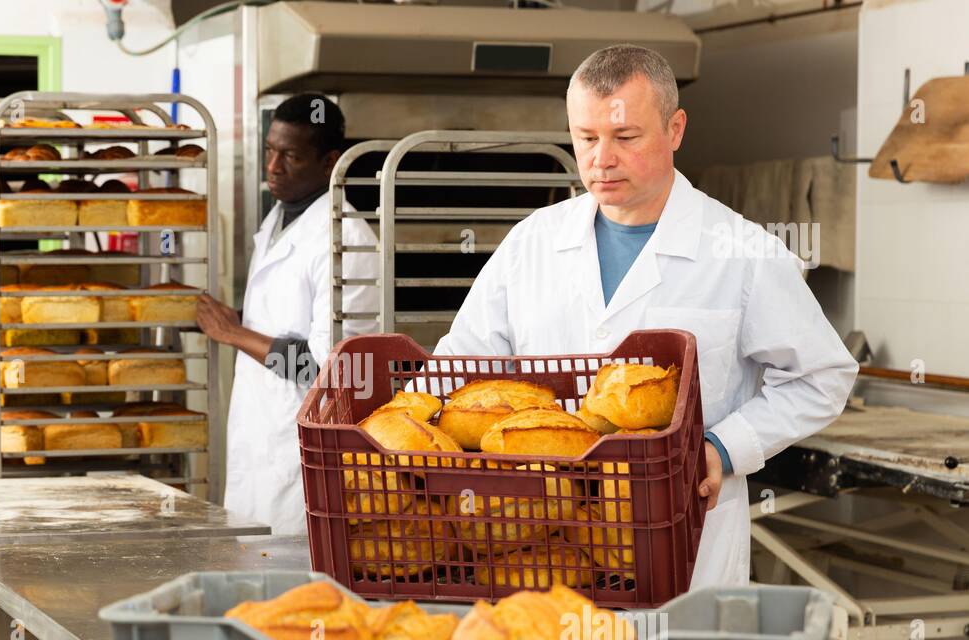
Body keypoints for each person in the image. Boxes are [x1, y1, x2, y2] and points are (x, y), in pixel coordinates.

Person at [433, 44, 858, 587]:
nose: (600, 159)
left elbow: (823, 377)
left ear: (675, 129)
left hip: (682, 540)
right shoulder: (533, 242)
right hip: (542, 542)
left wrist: (723, 449)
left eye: (625, 138)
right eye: (586, 138)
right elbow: (462, 364)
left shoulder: (744, 251)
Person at [196, 94, 378, 535]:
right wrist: (228, 318)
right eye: (270, 151)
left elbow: (323, 368)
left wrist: (233, 333)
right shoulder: (279, 220)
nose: (273, 167)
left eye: (290, 156)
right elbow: (281, 319)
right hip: (258, 442)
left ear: (330, 160)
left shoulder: (348, 243)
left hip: (299, 460)